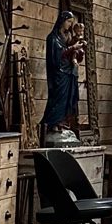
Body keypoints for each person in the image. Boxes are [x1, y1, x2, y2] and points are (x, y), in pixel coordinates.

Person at [42, 8, 85, 137]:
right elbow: (58, 54)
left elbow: (71, 52)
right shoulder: (53, 38)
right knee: (58, 97)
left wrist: (78, 51)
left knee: (68, 98)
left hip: (68, 71)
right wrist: (73, 48)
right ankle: (52, 123)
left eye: (71, 22)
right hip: (58, 73)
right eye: (68, 21)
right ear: (62, 21)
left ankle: (62, 122)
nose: (70, 25)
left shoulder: (68, 36)